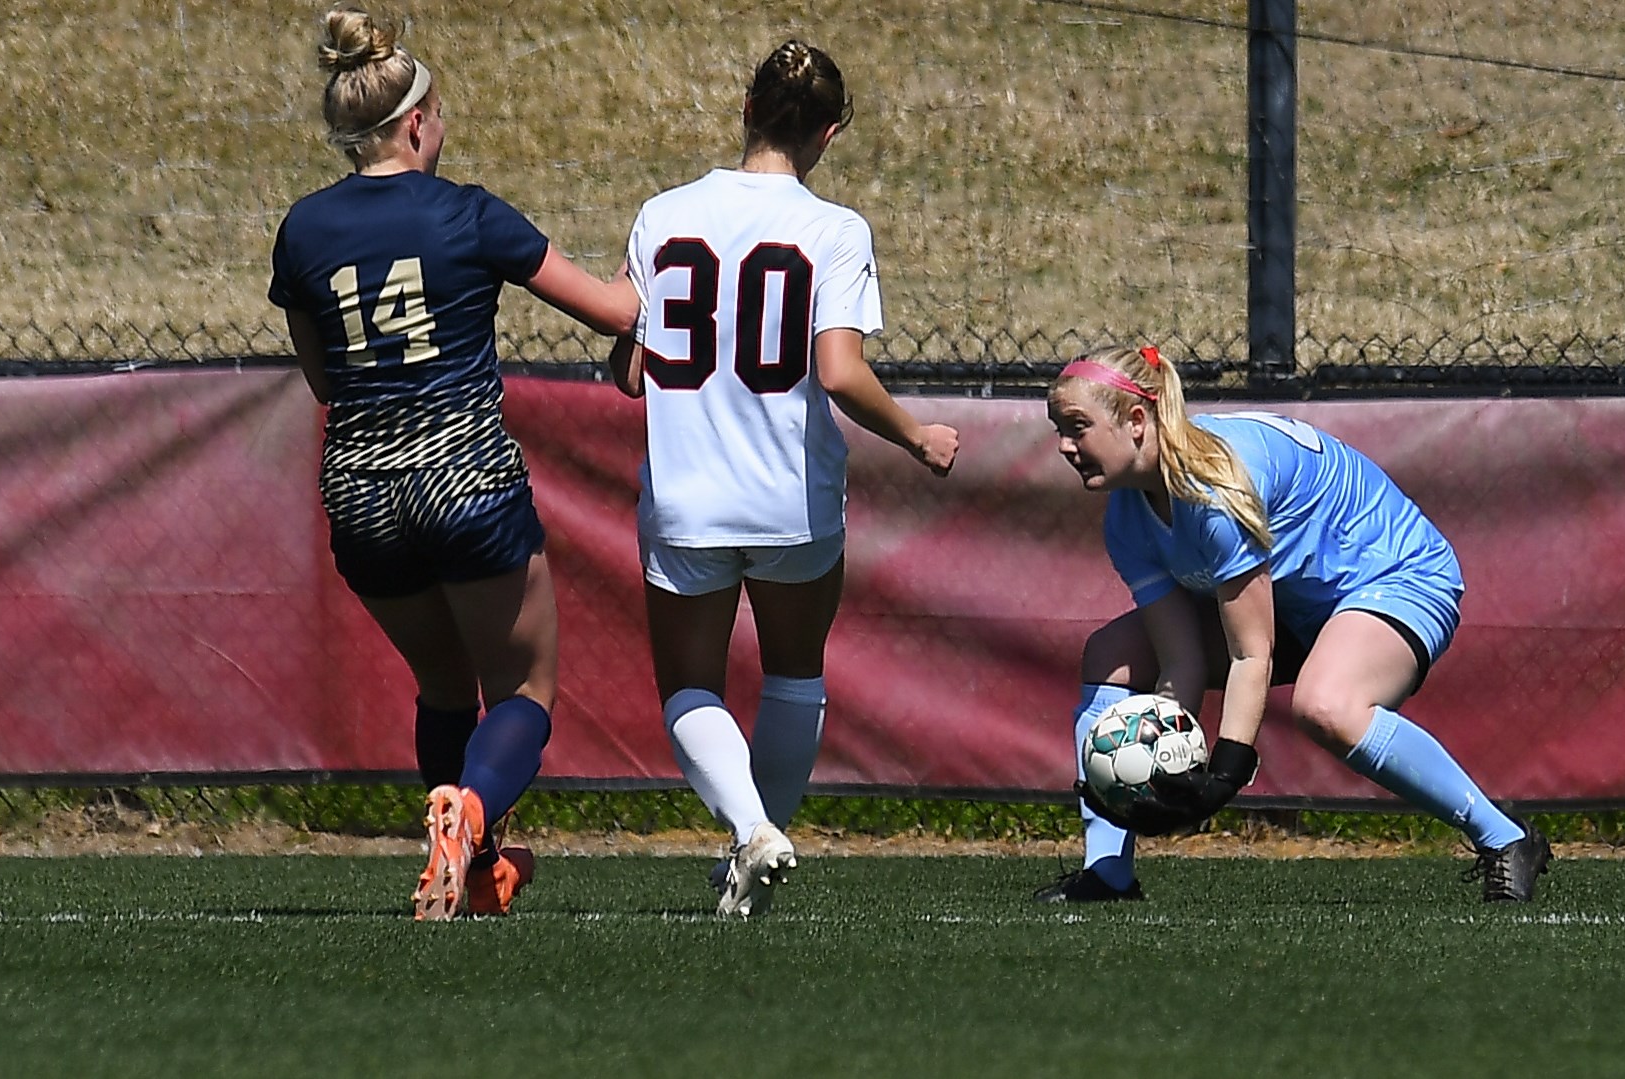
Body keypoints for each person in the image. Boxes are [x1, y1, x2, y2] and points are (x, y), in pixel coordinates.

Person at [267, 7, 638, 920]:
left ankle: (473, 873)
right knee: (524, 688)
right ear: (418, 123)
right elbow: (613, 310)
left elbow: (323, 379)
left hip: (359, 488)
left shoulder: (303, 229)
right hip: (462, 472)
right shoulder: (469, 213)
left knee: (442, 686)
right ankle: (469, 810)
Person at [609, 40, 959, 918]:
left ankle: (750, 831)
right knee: (795, 674)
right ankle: (758, 841)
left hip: (688, 499)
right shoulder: (833, 229)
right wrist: (917, 435)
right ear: (829, 133)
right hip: (793, 501)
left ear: (746, 112)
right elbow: (838, 371)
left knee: (691, 688)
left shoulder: (663, 214)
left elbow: (629, 367)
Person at [1037, 345, 1551, 904]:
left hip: (1397, 579)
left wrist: (1225, 774)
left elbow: (1249, 654)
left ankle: (1506, 838)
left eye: (1078, 428)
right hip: (1291, 609)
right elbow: (1179, 659)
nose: (1065, 446)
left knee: (1326, 706)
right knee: (1111, 654)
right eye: (1058, 430)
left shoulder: (1214, 490)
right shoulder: (1127, 516)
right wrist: (1156, 768)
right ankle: (1107, 872)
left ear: (1136, 421)